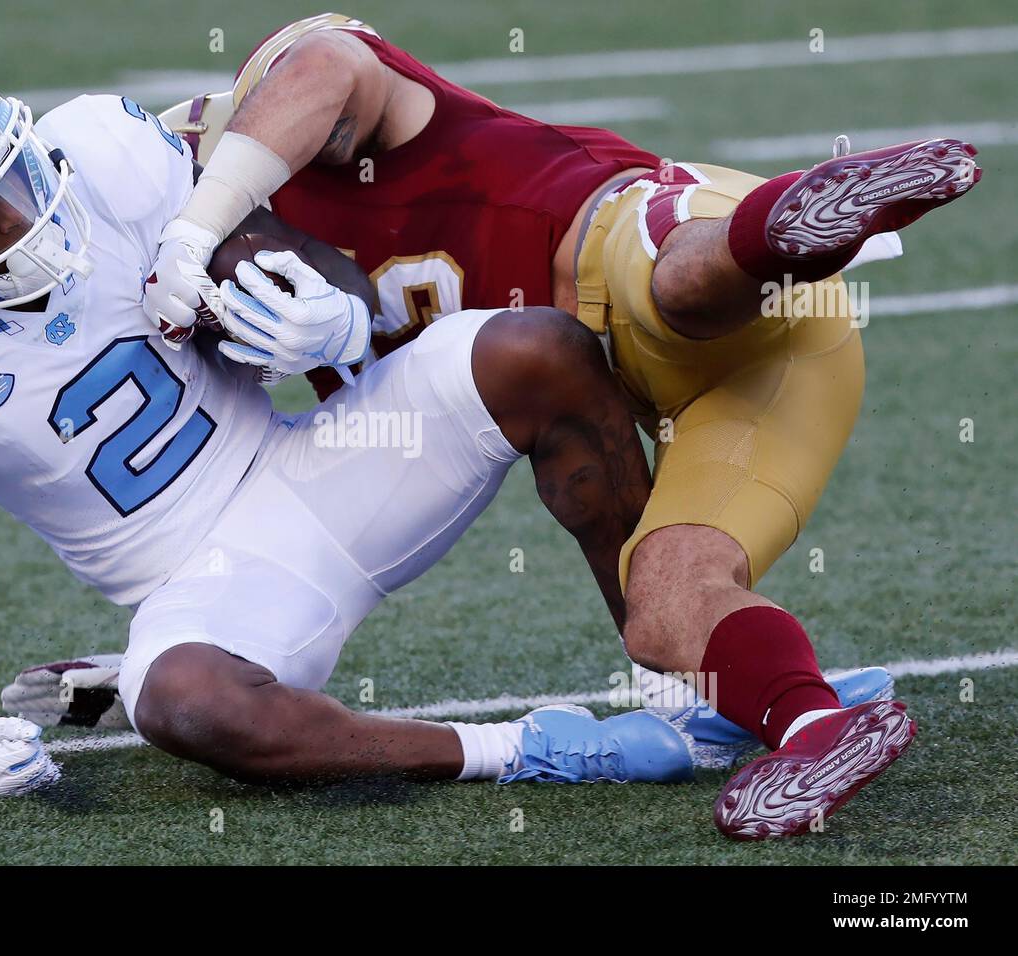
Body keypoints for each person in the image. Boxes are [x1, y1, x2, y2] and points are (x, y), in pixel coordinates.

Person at [138, 13, 979, 837]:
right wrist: (168, 651)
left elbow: (321, 64)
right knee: (663, 609)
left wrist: (195, 226)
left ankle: (794, 225)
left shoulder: (336, 112)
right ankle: (815, 732)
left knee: (656, 288)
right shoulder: (291, 291)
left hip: (668, 240)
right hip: (780, 378)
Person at [0, 63, 696, 803]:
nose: (21, 219)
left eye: (14, 172)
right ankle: (531, 746)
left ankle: (675, 663)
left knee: (536, 349)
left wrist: (331, 316)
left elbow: (300, 261)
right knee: (192, 702)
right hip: (203, 583)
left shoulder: (103, 155)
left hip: (322, 466)